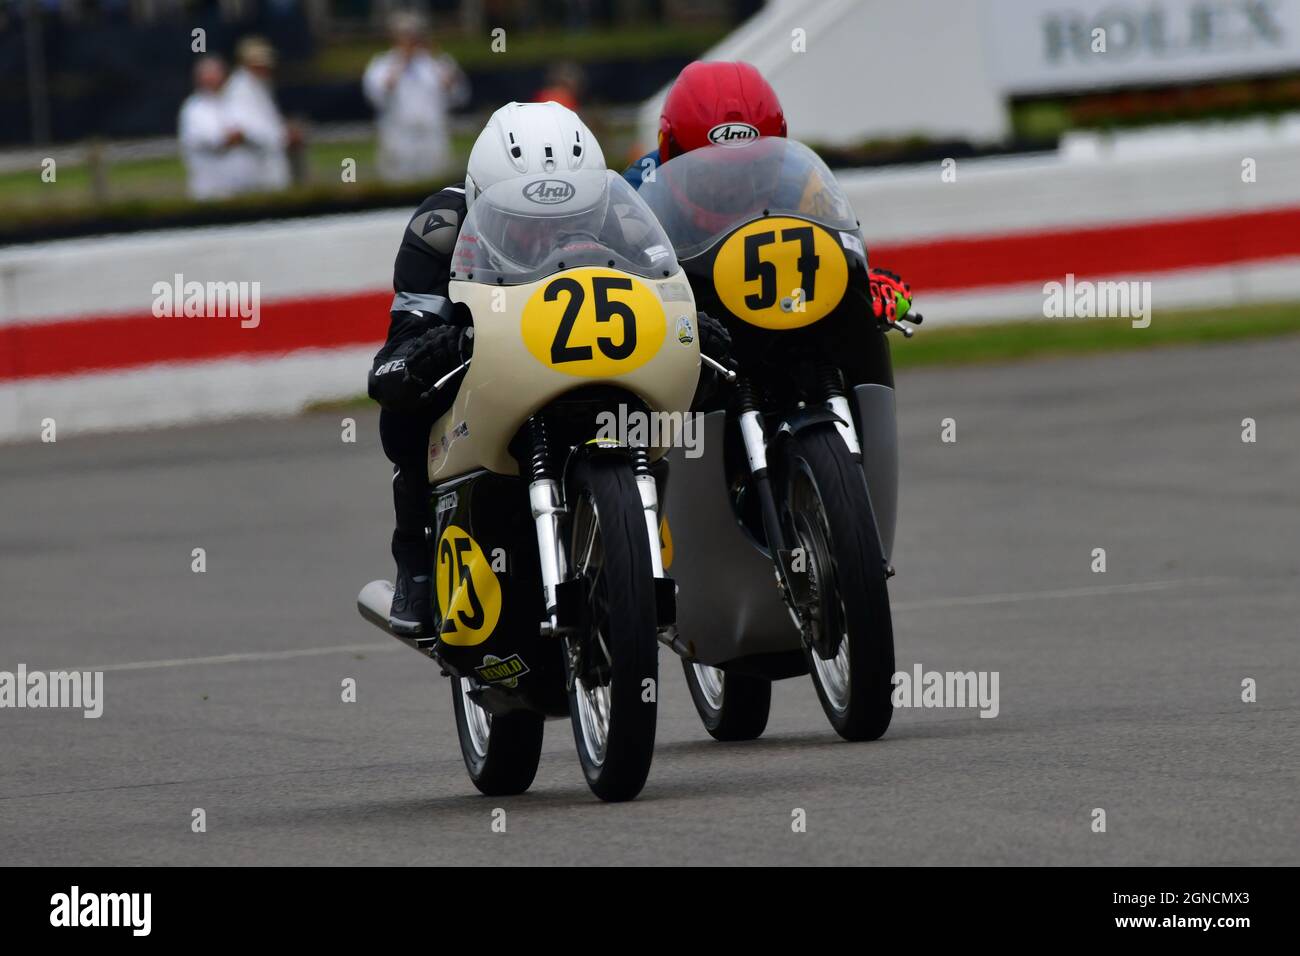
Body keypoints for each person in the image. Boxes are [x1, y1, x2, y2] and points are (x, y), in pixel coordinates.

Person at [625, 60, 918, 327]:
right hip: (693, 328)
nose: (730, 185)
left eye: (750, 167)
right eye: (710, 171)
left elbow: (838, 252)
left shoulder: (802, 180)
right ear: (672, 152)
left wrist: (866, 286)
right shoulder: (639, 190)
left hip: (786, 314)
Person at [363, 11, 470, 183]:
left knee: (436, 184)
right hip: (398, 137)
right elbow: (375, 96)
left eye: (413, 34)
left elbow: (460, 95)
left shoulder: (438, 61)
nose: (409, 40)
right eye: (404, 35)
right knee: (398, 186)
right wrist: (401, 62)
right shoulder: (382, 63)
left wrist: (444, 73)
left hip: (433, 135)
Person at [222, 36, 300, 193]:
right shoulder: (239, 89)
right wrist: (283, 137)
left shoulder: (260, 85)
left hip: (269, 165)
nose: (266, 67)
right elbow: (244, 130)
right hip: (256, 170)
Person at [178, 55, 245, 200]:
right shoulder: (193, 108)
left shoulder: (233, 102)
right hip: (209, 190)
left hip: (239, 188)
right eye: (207, 74)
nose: (212, 78)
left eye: (215, 73)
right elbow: (208, 139)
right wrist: (231, 137)